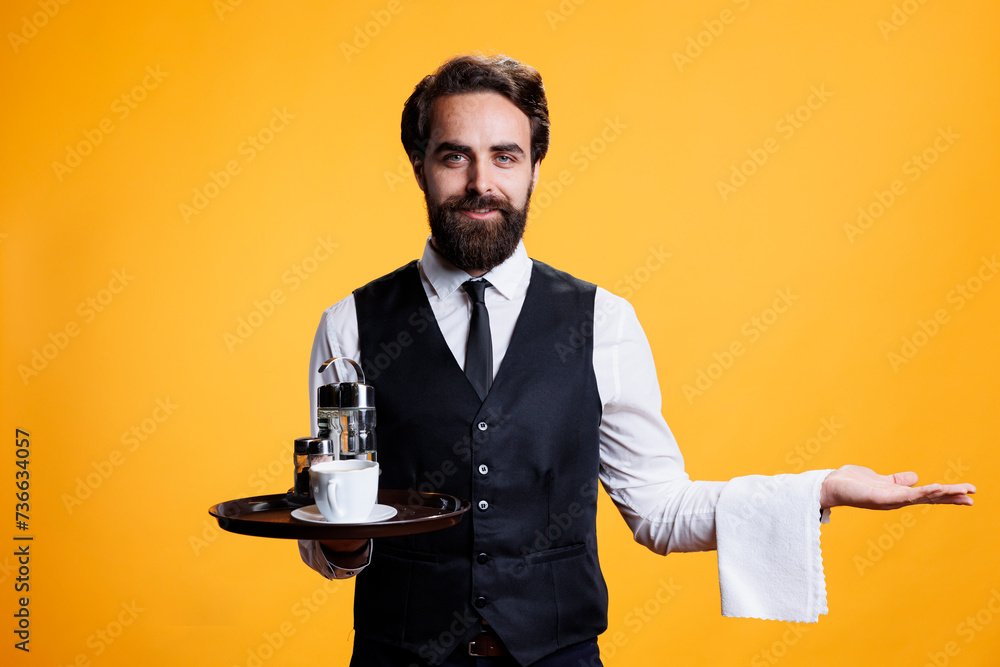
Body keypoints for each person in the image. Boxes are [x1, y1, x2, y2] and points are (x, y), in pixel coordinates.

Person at [298, 53, 975, 667]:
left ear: (535, 166)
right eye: (455, 156)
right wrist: (344, 538)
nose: (482, 182)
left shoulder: (603, 323)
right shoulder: (351, 325)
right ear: (419, 164)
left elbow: (661, 509)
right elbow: (327, 541)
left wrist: (818, 488)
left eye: (505, 156)